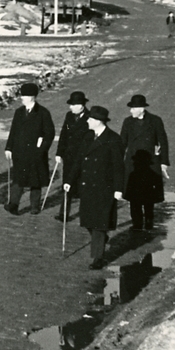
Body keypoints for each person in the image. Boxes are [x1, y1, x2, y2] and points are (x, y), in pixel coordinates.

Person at [63, 106, 124, 269]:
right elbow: (78, 160)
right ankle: (101, 240)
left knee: (99, 223)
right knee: (88, 221)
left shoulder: (113, 139)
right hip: (87, 186)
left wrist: (118, 189)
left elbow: (119, 166)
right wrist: (69, 180)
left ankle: (98, 258)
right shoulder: (88, 136)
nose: (87, 121)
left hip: (105, 187)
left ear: (97, 122)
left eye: (90, 119)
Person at [119, 94, 170, 231]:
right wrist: (118, 161)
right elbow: (122, 143)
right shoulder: (127, 122)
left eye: (133, 108)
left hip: (150, 163)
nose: (131, 111)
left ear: (141, 108)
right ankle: (136, 224)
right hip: (133, 163)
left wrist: (164, 162)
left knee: (148, 197)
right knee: (133, 196)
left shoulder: (155, 121)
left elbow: (163, 141)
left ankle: (148, 222)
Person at [3, 83, 56, 215]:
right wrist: (9, 147)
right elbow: (13, 131)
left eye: (25, 95)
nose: (22, 98)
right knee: (18, 179)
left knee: (35, 180)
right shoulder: (19, 112)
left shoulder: (43, 113)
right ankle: (13, 205)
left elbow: (50, 133)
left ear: (33, 97)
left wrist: (42, 149)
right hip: (20, 152)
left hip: (36, 153)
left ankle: (34, 206)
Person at [55, 90, 91, 221]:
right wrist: (59, 153)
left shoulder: (90, 117)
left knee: (82, 187)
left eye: (73, 105)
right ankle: (63, 214)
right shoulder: (69, 116)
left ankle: (85, 214)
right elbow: (64, 135)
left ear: (81, 105)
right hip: (69, 157)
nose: (70, 107)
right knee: (67, 184)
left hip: (83, 158)